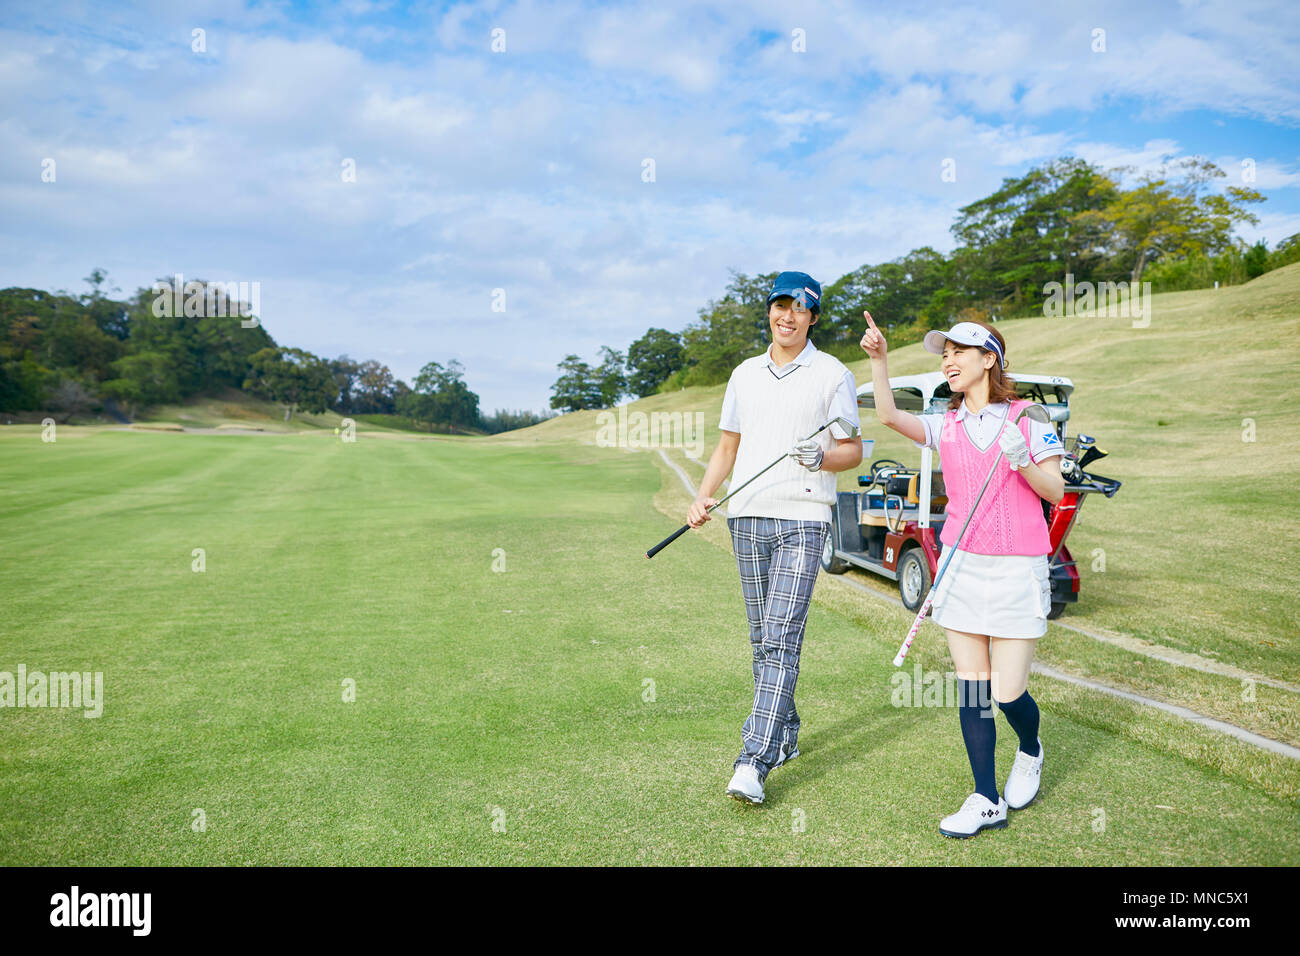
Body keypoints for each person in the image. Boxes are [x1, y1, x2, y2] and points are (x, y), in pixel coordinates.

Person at [859, 313, 1064, 837]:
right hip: (960, 566)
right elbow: (887, 416)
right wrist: (880, 361)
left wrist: (1023, 462)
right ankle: (985, 797)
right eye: (943, 353)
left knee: (1008, 692)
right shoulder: (943, 422)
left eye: (959, 351)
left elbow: (1056, 493)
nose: (948, 361)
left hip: (1018, 566)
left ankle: (1031, 747)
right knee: (973, 689)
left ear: (989, 358)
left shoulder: (1029, 418)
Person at [688, 271, 863, 805]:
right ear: (769, 311)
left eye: (799, 308)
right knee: (763, 639)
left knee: (782, 635)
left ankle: (753, 759)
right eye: (779, 305)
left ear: (813, 316)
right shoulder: (743, 374)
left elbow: (852, 451)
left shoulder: (832, 373)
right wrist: (703, 495)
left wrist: (822, 456)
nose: (787, 315)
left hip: (805, 519)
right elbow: (727, 447)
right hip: (746, 516)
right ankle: (784, 734)